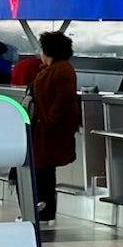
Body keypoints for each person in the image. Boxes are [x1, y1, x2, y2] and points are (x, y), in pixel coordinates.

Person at [29, 31, 80, 224]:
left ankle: (45, 210)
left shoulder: (62, 70)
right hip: (44, 129)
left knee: (45, 172)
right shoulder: (51, 69)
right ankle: (41, 209)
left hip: (51, 130)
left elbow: (64, 98)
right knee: (43, 171)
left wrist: (50, 119)